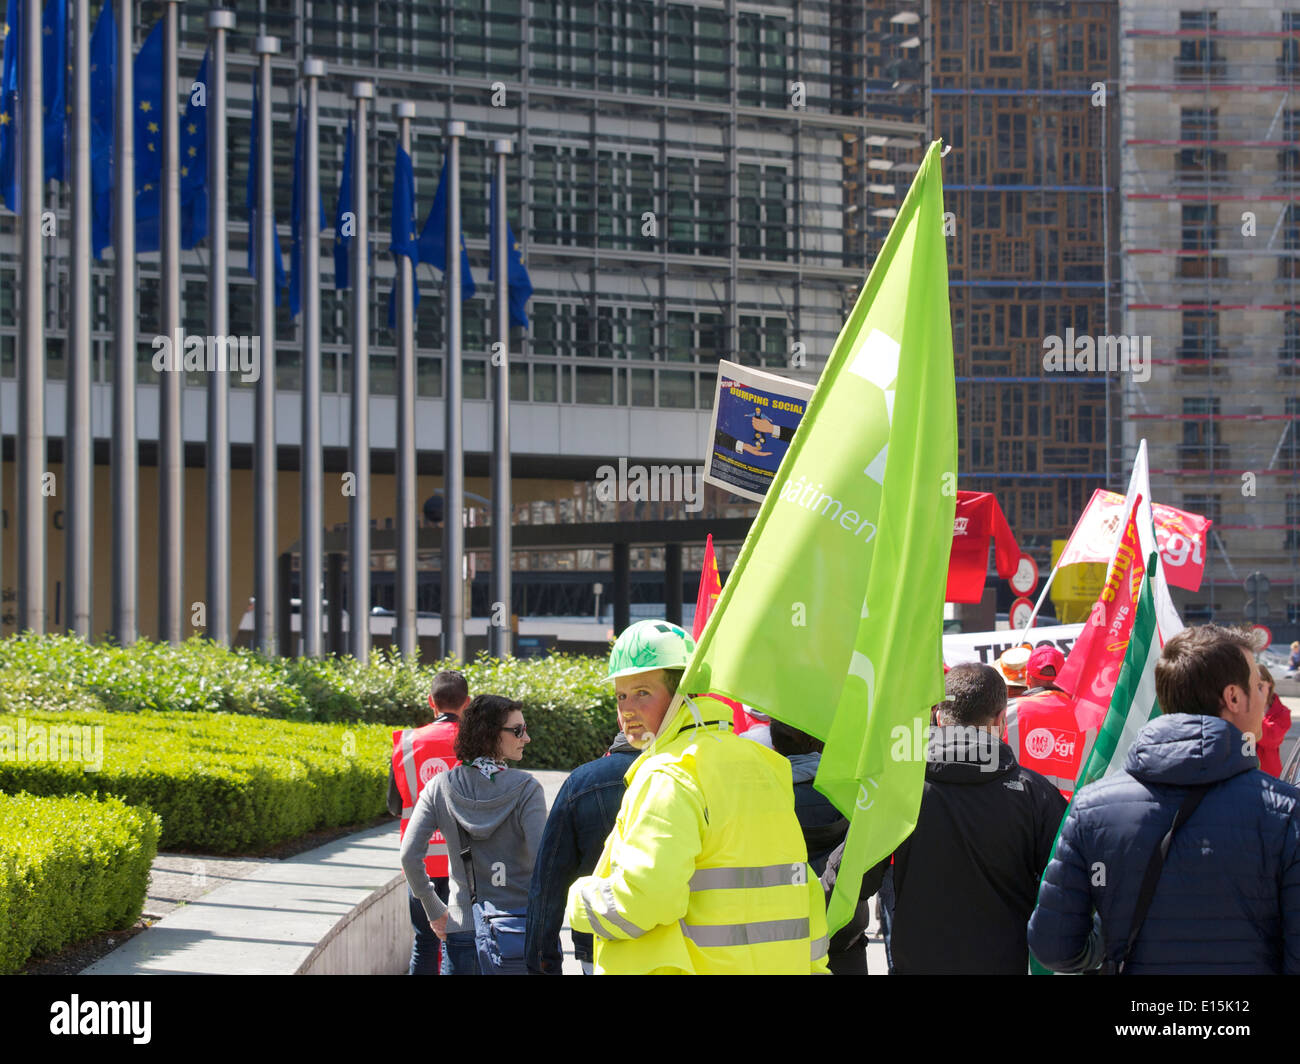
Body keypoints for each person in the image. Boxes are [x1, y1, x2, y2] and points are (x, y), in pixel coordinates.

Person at [1028, 624, 1300, 974]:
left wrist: (1114, 936)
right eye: (1257, 685)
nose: (1264, 696)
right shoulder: (1285, 810)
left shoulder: (1091, 807)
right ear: (1233, 697)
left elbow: (1054, 947)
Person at [565, 619, 831, 974]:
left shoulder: (669, 774)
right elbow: (802, 888)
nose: (627, 710)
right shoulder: (765, 765)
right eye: (620, 696)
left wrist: (580, 901)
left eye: (642, 692)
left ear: (683, 694)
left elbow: (646, 898)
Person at [878, 663, 1067, 974]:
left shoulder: (899, 788)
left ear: (938, 716)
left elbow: (853, 874)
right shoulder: (1036, 794)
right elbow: (1064, 886)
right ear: (1001, 721)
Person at [400, 694, 547, 975]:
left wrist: (434, 909)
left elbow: (409, 854)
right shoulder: (527, 789)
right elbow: (545, 859)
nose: (526, 738)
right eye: (518, 730)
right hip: (516, 929)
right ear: (491, 734)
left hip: (461, 926)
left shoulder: (439, 786)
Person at [524, 730, 638, 975]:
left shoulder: (583, 781)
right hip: (675, 942)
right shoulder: (686, 772)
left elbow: (548, 881)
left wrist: (543, 961)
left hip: (598, 940)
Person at [388, 670, 470, 975]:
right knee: (461, 943)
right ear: (468, 703)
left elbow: (394, 805)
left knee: (425, 941)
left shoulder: (407, 742)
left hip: (420, 861)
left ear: (430, 702)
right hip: (464, 860)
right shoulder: (474, 743)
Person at [1004, 644, 1102, 800]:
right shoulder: (1090, 716)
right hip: (1071, 812)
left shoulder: (1006, 711)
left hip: (1021, 808)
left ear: (1028, 678)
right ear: (1064, 678)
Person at [1256, 664, 1291, 779]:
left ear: (1269, 684)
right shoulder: (1240, 707)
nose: (1256, 691)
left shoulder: (1282, 713)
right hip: (1245, 773)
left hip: (1270, 774)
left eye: (1260, 686)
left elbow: (1272, 739)